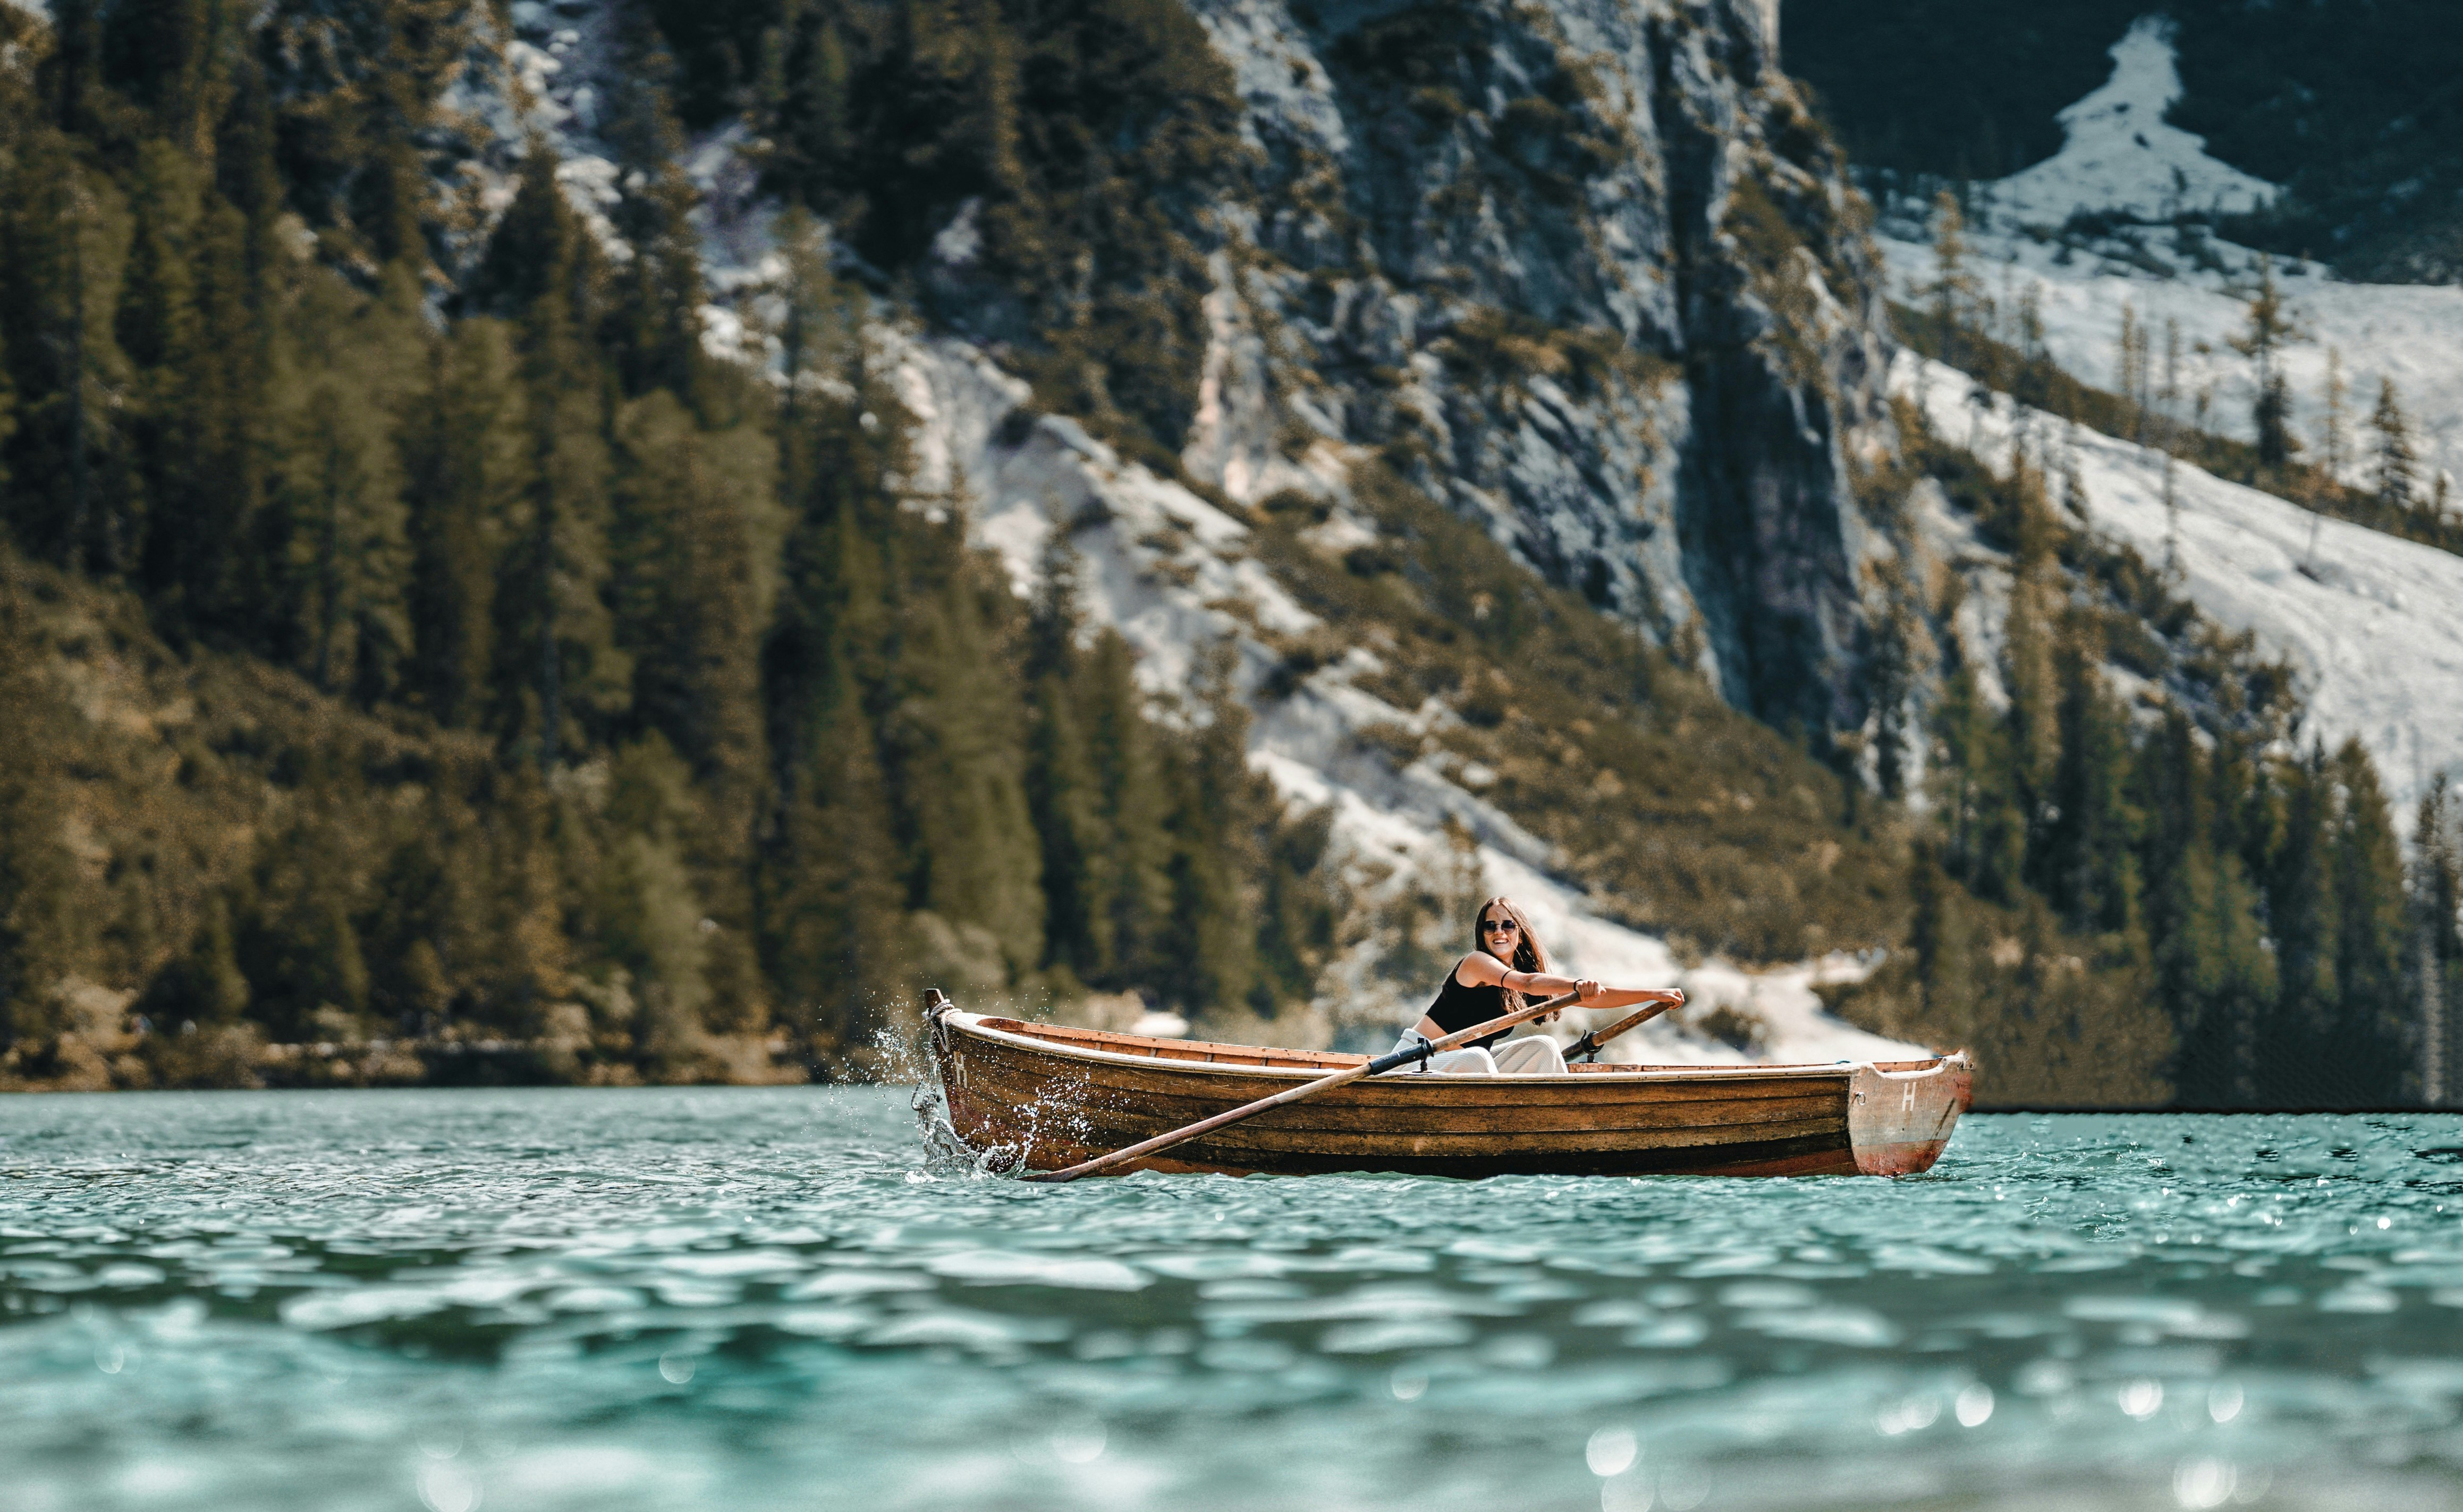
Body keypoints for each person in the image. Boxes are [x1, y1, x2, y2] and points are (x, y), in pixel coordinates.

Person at [1396, 896, 1685, 1075]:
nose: (1499, 932)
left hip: (1466, 1065)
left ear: (1520, 933)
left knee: (1543, 1047)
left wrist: (1653, 995)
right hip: (1417, 1060)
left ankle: (1561, 1124)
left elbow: (1591, 998)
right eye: (1490, 926)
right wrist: (1578, 983)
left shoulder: (1517, 980)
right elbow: (1529, 983)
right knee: (1477, 1058)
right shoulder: (1477, 963)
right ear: (1482, 934)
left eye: (1508, 925)